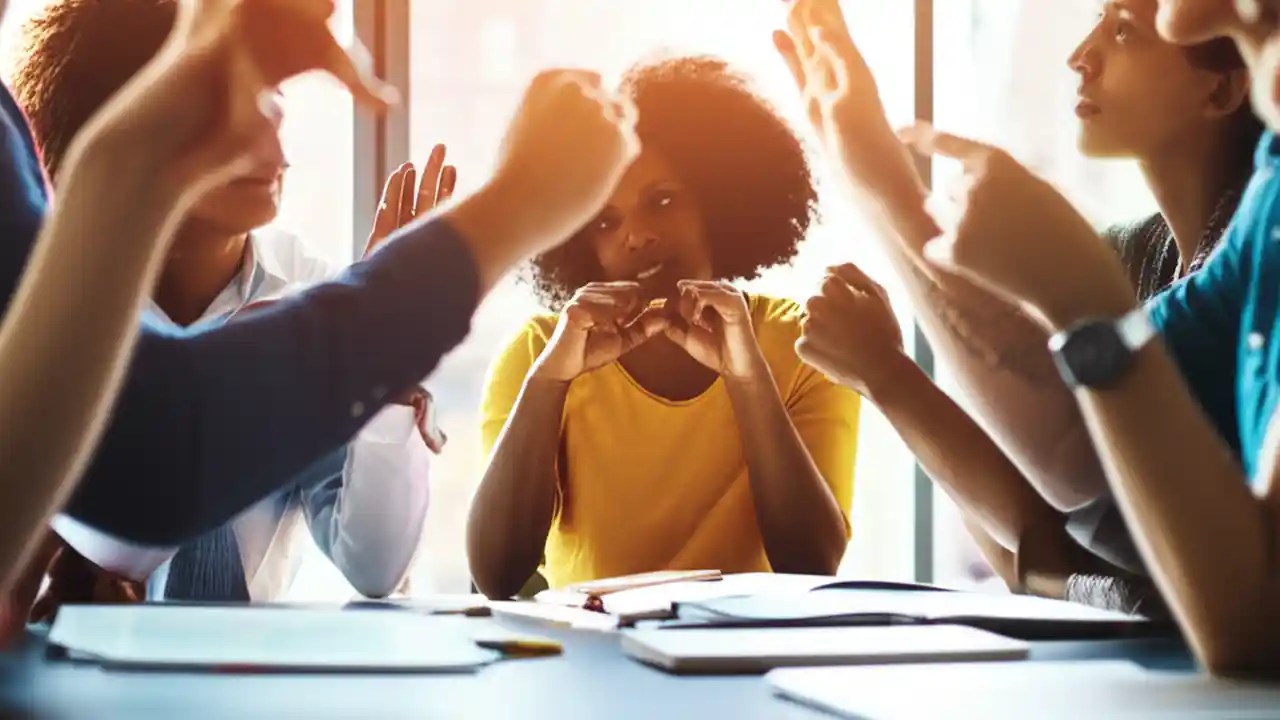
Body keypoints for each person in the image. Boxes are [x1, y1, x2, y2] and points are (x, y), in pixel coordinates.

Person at [0, 0, 639, 635]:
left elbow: (373, 561)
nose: (266, 131)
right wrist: (514, 206)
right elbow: (154, 453)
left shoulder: (300, 285)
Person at [796, 0, 1280, 677]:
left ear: (1222, 88)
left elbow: (1067, 534)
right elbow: (1059, 474)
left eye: (1120, 30)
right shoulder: (1198, 236)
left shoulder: (1230, 235)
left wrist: (892, 204)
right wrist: (873, 180)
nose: (1078, 56)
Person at [5, 0, 464, 606]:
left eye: (272, 93)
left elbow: (375, 567)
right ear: (134, 109)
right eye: (225, 93)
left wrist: (381, 362)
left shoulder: (309, 299)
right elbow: (134, 478)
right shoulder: (55, 291)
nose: (268, 125)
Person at [468, 57, 860, 599]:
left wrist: (749, 382)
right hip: (590, 666)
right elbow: (496, 574)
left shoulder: (804, 346)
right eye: (606, 221)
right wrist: (549, 382)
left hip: (747, 663)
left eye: (664, 200)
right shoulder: (540, 351)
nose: (637, 235)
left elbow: (813, 562)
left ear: (718, 202)